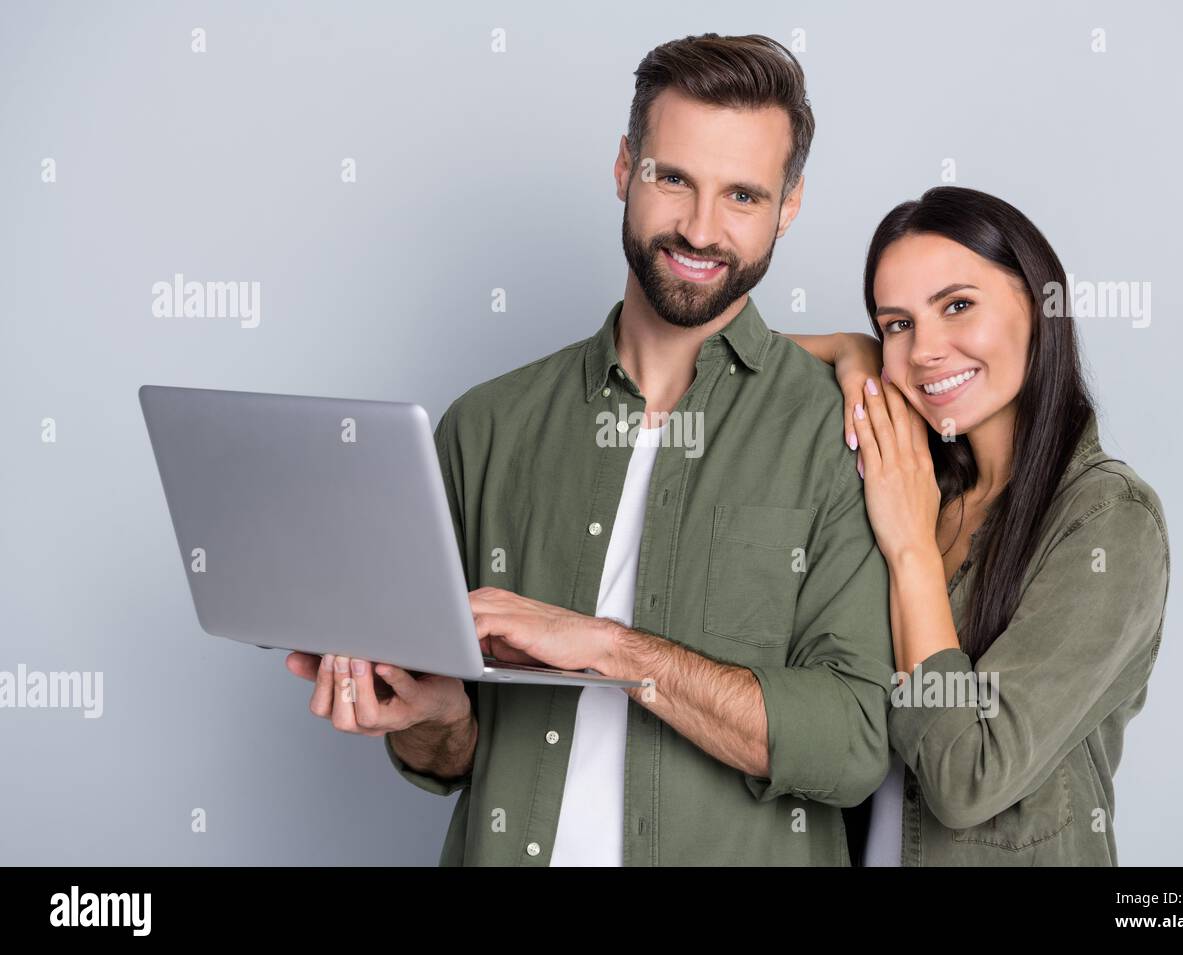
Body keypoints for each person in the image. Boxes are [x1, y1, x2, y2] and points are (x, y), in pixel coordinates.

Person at [285, 33, 896, 866]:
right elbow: (454, 756)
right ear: (624, 169)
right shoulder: (486, 426)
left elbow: (853, 746)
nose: (700, 228)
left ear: (788, 207)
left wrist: (611, 647)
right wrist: (434, 721)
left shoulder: (845, 434)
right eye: (673, 177)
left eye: (743, 196)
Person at [793, 186, 1171, 865]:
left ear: (1037, 304)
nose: (927, 350)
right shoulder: (910, 476)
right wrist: (852, 351)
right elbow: (711, 359)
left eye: (958, 306)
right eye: (897, 324)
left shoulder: (1109, 522)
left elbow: (968, 777)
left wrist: (910, 548)